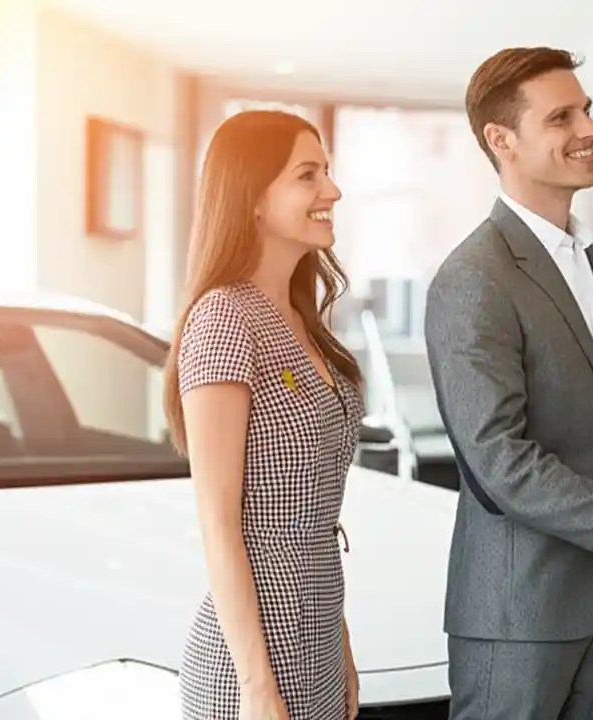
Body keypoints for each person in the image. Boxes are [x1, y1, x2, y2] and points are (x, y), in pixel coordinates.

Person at [424, 47, 593, 719]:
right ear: (501, 140)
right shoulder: (474, 277)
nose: (588, 130)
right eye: (561, 117)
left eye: (587, 111)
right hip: (516, 618)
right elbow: (500, 463)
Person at [165, 110, 365, 720]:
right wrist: (257, 689)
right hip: (248, 674)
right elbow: (219, 523)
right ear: (251, 197)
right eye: (308, 175)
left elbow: (314, 524)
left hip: (317, 650)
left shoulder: (302, 320)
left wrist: (342, 648)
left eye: (326, 172)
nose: (331, 191)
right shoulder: (225, 318)